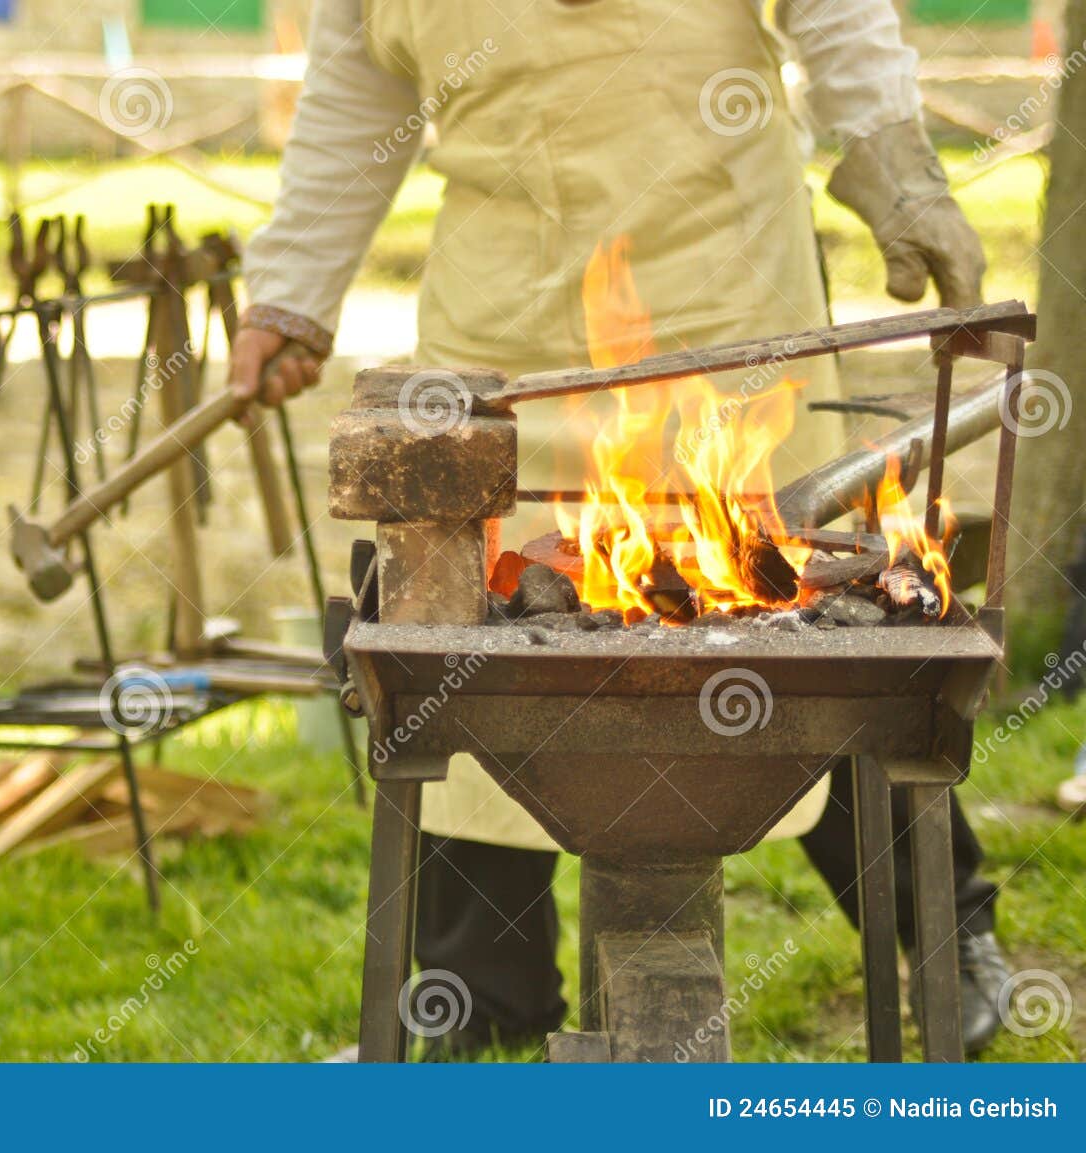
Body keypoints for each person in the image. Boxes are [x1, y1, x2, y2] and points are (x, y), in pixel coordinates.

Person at [230, 0, 1011, 1055]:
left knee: (800, 639)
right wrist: (290, 294)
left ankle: (946, 932)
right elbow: (353, 89)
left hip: (717, 301)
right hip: (499, 322)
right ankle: (478, 992)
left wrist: (895, 164)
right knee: (471, 638)